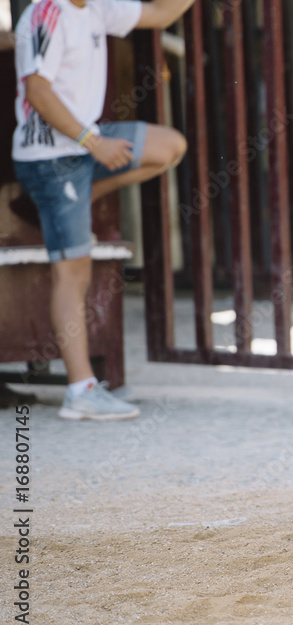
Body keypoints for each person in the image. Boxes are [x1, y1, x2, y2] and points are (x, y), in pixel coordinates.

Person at [12, 0, 193, 421]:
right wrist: (95, 143)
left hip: (84, 142)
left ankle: (71, 210)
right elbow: (37, 91)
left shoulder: (95, 7)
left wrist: (92, 141)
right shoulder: (45, 13)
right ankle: (81, 391)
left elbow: (161, 15)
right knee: (73, 272)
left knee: (168, 146)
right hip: (50, 158)